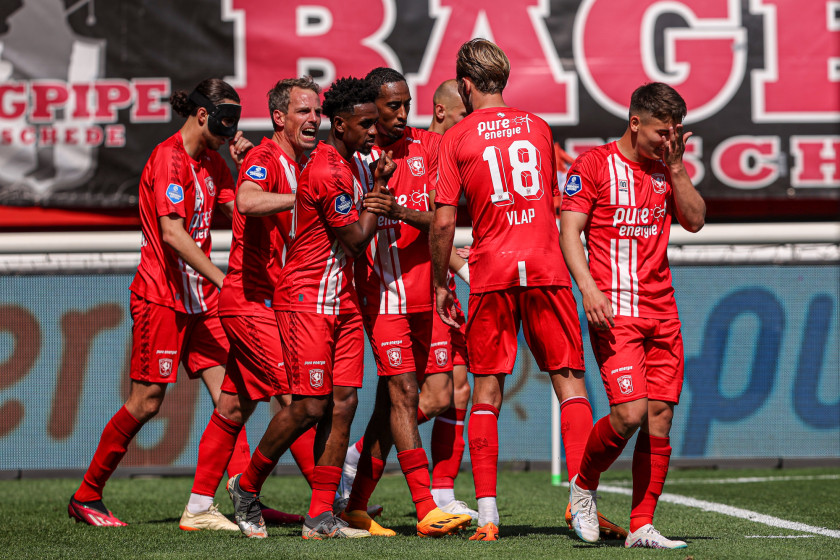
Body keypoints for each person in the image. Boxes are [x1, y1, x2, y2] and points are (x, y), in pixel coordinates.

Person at [430, 38, 596, 542]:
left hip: (492, 272)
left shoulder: (455, 138)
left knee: (485, 391)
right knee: (570, 383)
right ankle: (582, 503)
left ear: (465, 84)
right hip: (546, 267)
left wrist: (440, 278)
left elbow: (442, 224)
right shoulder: (541, 128)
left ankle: (488, 515)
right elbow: (546, 198)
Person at [68, 78, 253, 526]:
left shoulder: (214, 163)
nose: (230, 131)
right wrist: (222, 279)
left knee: (234, 394)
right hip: (162, 298)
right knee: (147, 402)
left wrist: (250, 166)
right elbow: (173, 235)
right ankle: (87, 496)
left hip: (201, 301)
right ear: (203, 114)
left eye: (236, 123)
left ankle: (244, 502)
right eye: (225, 121)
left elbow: (243, 211)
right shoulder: (168, 158)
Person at [226, 76, 394, 540]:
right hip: (307, 299)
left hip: (341, 299)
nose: (374, 132)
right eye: (366, 124)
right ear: (343, 126)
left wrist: (374, 189)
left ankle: (321, 516)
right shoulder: (327, 171)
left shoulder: (350, 162)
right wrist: (377, 201)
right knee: (308, 406)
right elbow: (357, 239)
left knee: (344, 404)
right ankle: (246, 485)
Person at [560, 82, 705, 549]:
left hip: (663, 312)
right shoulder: (594, 165)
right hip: (614, 311)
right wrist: (588, 289)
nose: (669, 141)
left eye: (676, 133)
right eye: (663, 133)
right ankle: (582, 488)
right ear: (635, 121)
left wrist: (678, 166)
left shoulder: (667, 170)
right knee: (629, 414)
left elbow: (696, 219)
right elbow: (570, 232)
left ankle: (642, 524)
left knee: (659, 417)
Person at [179, 77, 323, 533]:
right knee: (301, 399)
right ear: (280, 118)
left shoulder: (301, 161)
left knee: (232, 409)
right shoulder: (264, 158)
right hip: (249, 301)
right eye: (304, 111)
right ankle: (273, 491)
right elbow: (245, 198)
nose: (314, 120)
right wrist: (300, 199)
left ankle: (199, 506)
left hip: (270, 301)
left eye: (317, 112)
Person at [334, 68, 472, 538]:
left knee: (429, 398)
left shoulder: (430, 148)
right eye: (393, 107)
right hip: (382, 298)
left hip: (426, 294)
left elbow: (442, 218)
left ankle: (354, 498)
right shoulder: (354, 156)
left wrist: (400, 211)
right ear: (371, 108)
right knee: (403, 395)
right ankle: (427, 506)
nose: (402, 115)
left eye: (406, 105)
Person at [426, 78, 473, 511]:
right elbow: (420, 219)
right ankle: (352, 466)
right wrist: (461, 265)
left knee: (459, 389)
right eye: (463, 115)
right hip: (420, 288)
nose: (469, 124)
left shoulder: (453, 153)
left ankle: (443, 493)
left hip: (443, 282)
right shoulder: (422, 151)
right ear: (442, 112)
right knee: (429, 397)